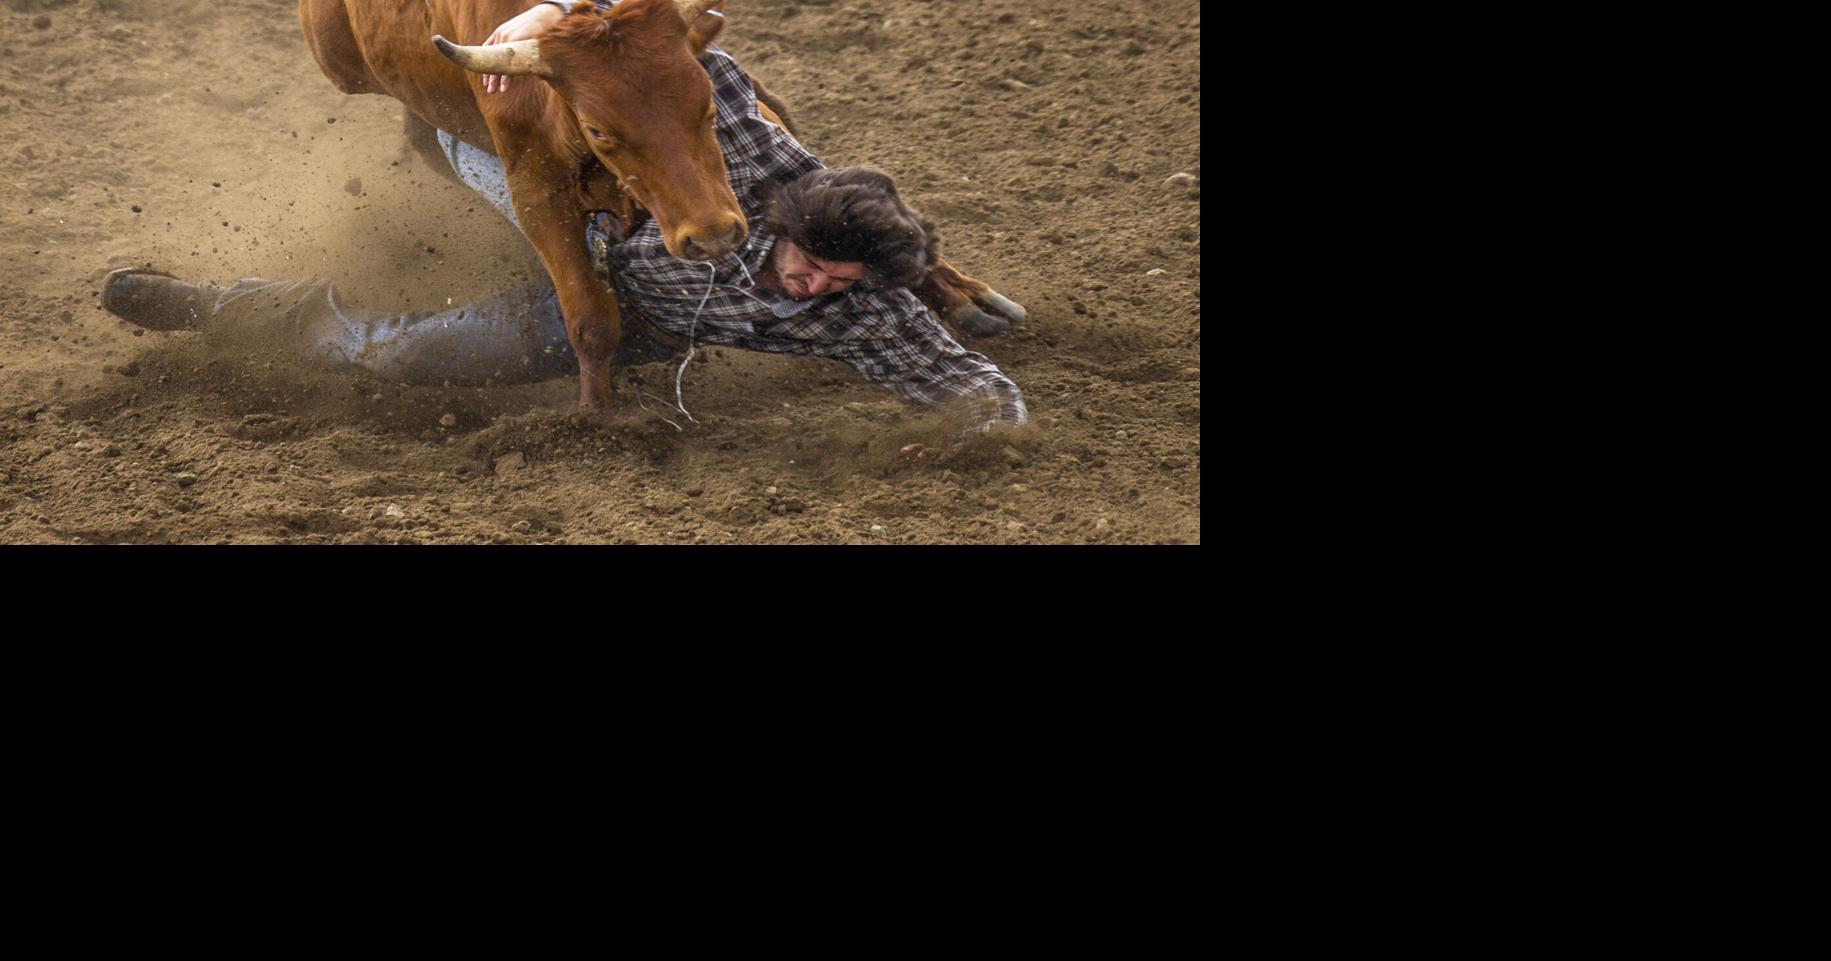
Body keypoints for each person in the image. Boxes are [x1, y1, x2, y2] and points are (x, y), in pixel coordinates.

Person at [100, 0, 1027, 445]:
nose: (814, 286)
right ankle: (232, 307)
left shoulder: (866, 309)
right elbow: (712, 75)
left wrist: (995, 430)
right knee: (398, 336)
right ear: (785, 218)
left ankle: (259, 307)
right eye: (815, 263)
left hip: (645, 325)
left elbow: (966, 380)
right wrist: (553, 20)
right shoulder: (760, 162)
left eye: (838, 286)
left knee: (403, 356)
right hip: (584, 239)